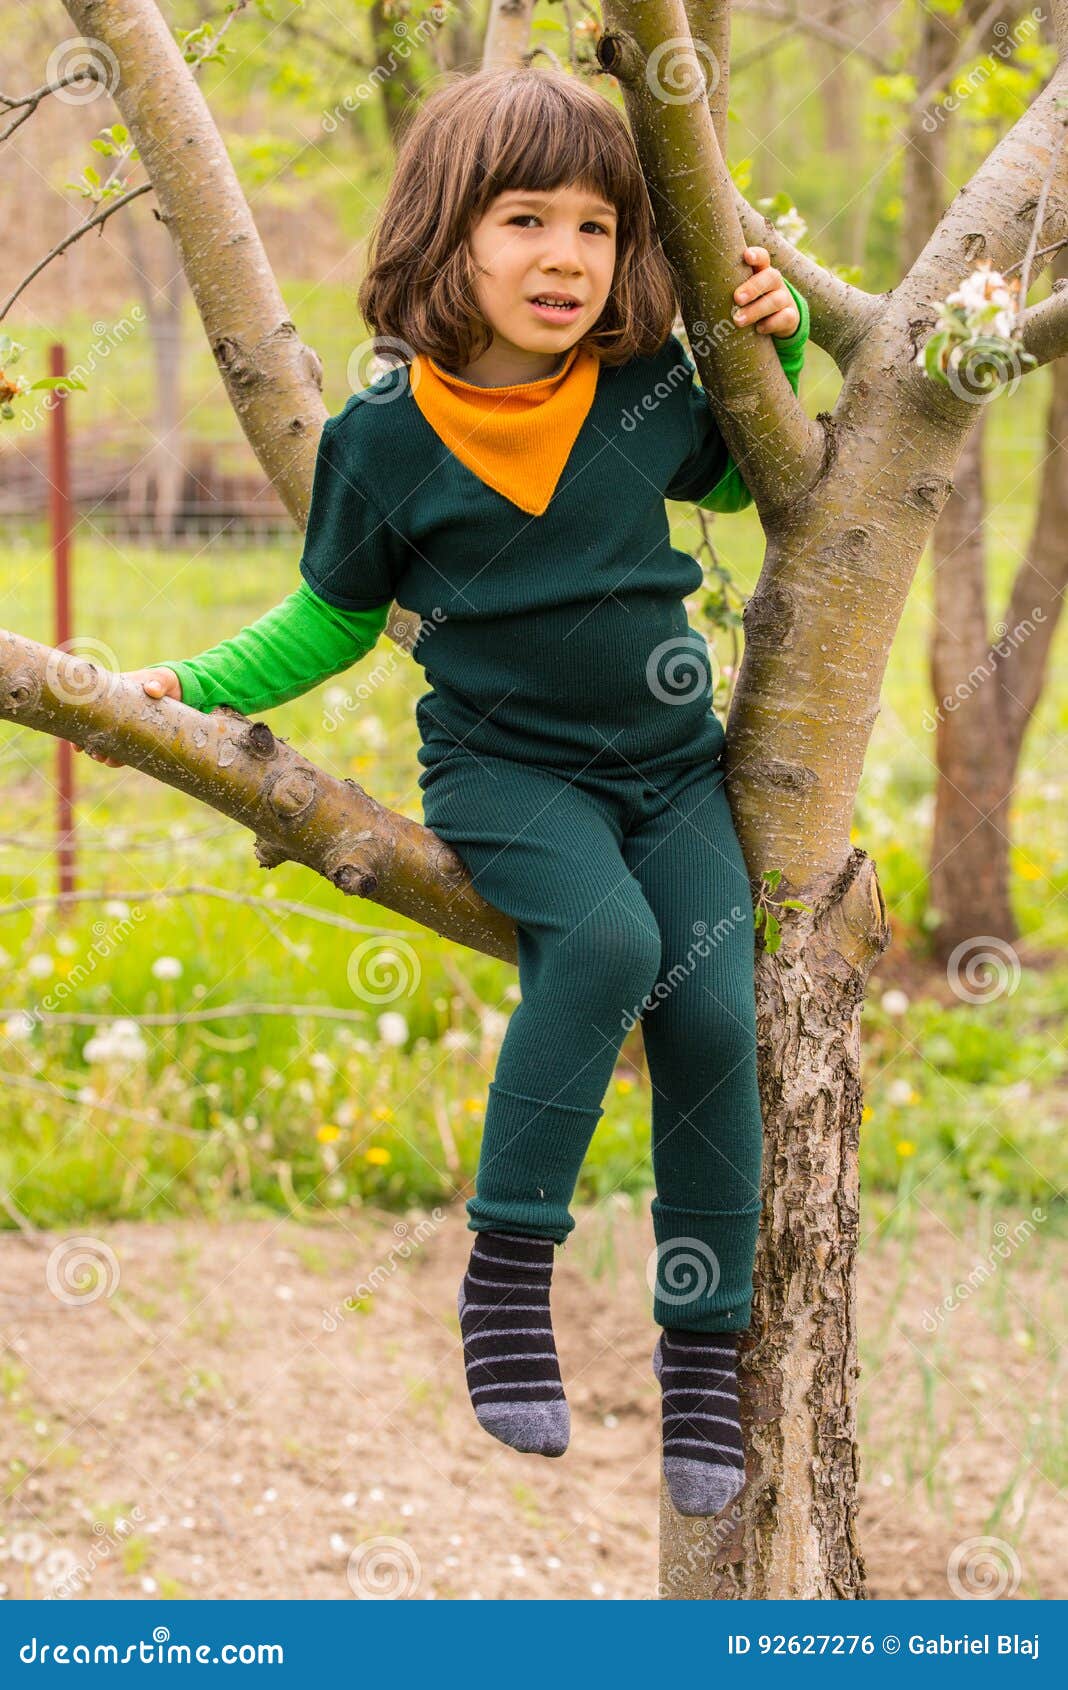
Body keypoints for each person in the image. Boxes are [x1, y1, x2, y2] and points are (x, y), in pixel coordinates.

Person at [79, 64, 809, 1517]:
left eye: (597, 227)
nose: (565, 256)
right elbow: (335, 617)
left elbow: (759, 481)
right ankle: (506, 1279)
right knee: (603, 947)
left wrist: (766, 345)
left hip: (671, 776)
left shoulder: (645, 388)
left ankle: (704, 1352)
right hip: (509, 774)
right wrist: (198, 685)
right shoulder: (385, 440)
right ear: (447, 236)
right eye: (524, 218)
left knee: (720, 1006)